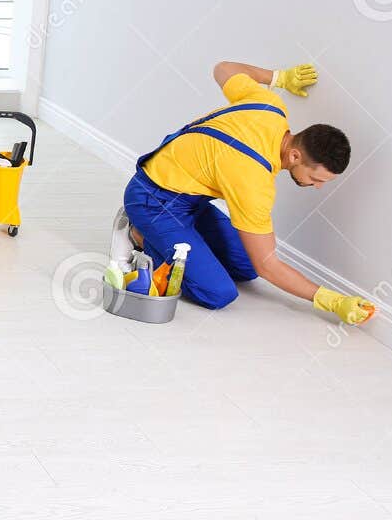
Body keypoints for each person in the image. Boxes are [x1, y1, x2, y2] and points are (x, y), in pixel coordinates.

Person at [123, 59, 375, 325]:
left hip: (189, 199)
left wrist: (279, 78)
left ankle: (182, 238)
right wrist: (332, 301)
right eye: (316, 178)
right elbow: (268, 266)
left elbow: (223, 68)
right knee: (218, 293)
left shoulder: (270, 108)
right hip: (152, 199)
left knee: (245, 265)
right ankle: (139, 233)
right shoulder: (254, 181)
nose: (318, 186)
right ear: (295, 154)